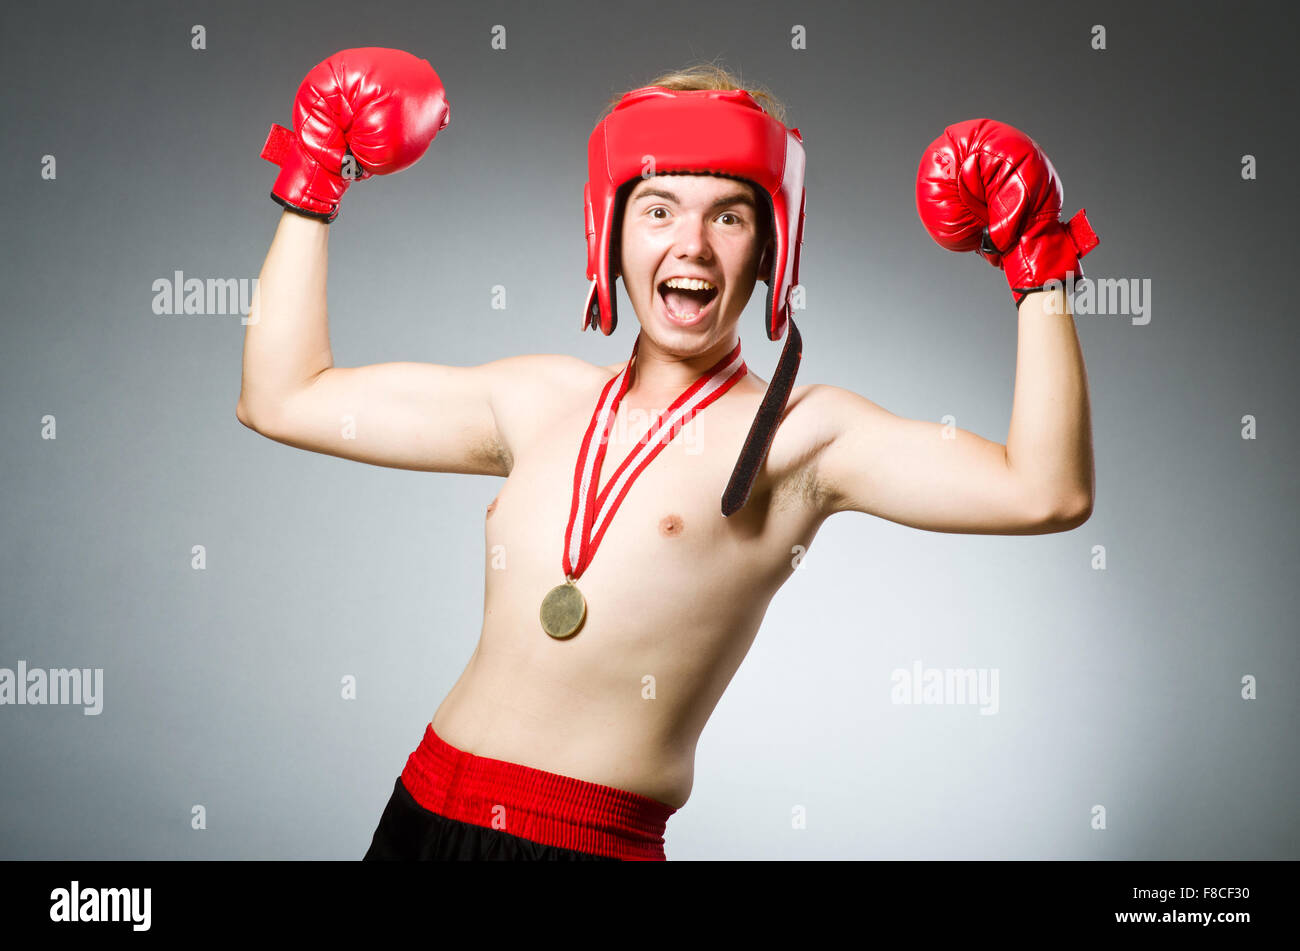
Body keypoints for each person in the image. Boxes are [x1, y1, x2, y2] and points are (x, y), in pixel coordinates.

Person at [239, 50, 1097, 861]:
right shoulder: (538, 401)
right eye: (658, 210)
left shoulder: (803, 435)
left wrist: (1039, 263)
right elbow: (283, 397)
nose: (691, 244)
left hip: (581, 841)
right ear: (611, 234)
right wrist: (314, 181)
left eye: (729, 215)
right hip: (419, 810)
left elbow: (1044, 490)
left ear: (769, 250)